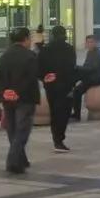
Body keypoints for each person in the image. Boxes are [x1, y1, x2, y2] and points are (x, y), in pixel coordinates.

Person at [0, 27, 40, 174]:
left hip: (8, 99)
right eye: (29, 38)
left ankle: (21, 160)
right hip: (25, 99)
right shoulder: (30, 56)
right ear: (25, 39)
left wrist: (5, 91)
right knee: (22, 130)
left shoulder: (5, 56)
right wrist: (17, 92)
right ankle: (13, 161)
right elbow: (31, 78)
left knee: (12, 130)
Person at [37, 24, 78, 152]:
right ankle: (59, 139)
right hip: (65, 86)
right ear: (64, 34)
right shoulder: (69, 49)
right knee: (64, 113)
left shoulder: (45, 49)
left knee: (54, 112)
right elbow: (72, 69)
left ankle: (56, 138)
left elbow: (39, 68)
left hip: (51, 86)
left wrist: (45, 78)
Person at [72, 34, 100, 121]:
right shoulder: (90, 52)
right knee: (75, 76)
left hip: (97, 78)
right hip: (90, 75)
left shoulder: (98, 54)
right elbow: (86, 67)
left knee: (77, 91)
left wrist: (78, 68)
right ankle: (70, 85)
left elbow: (92, 68)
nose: (89, 44)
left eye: (91, 42)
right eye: (88, 42)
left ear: (95, 43)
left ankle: (76, 114)